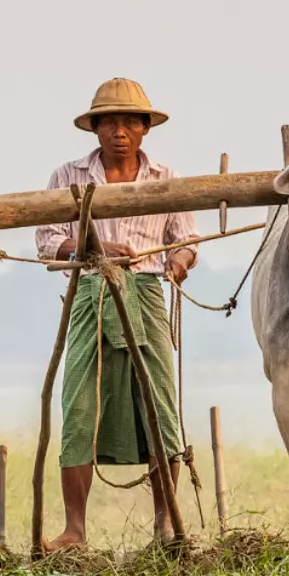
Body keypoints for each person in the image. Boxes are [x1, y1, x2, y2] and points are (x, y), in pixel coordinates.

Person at [35, 77, 199, 551]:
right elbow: (47, 241)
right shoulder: (68, 177)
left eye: (130, 121)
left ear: (146, 128)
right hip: (90, 292)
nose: (120, 131)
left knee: (160, 408)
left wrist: (179, 263)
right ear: (95, 129)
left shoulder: (166, 179)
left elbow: (186, 240)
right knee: (79, 405)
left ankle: (165, 523)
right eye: (109, 121)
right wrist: (93, 246)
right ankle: (74, 530)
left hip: (148, 294)